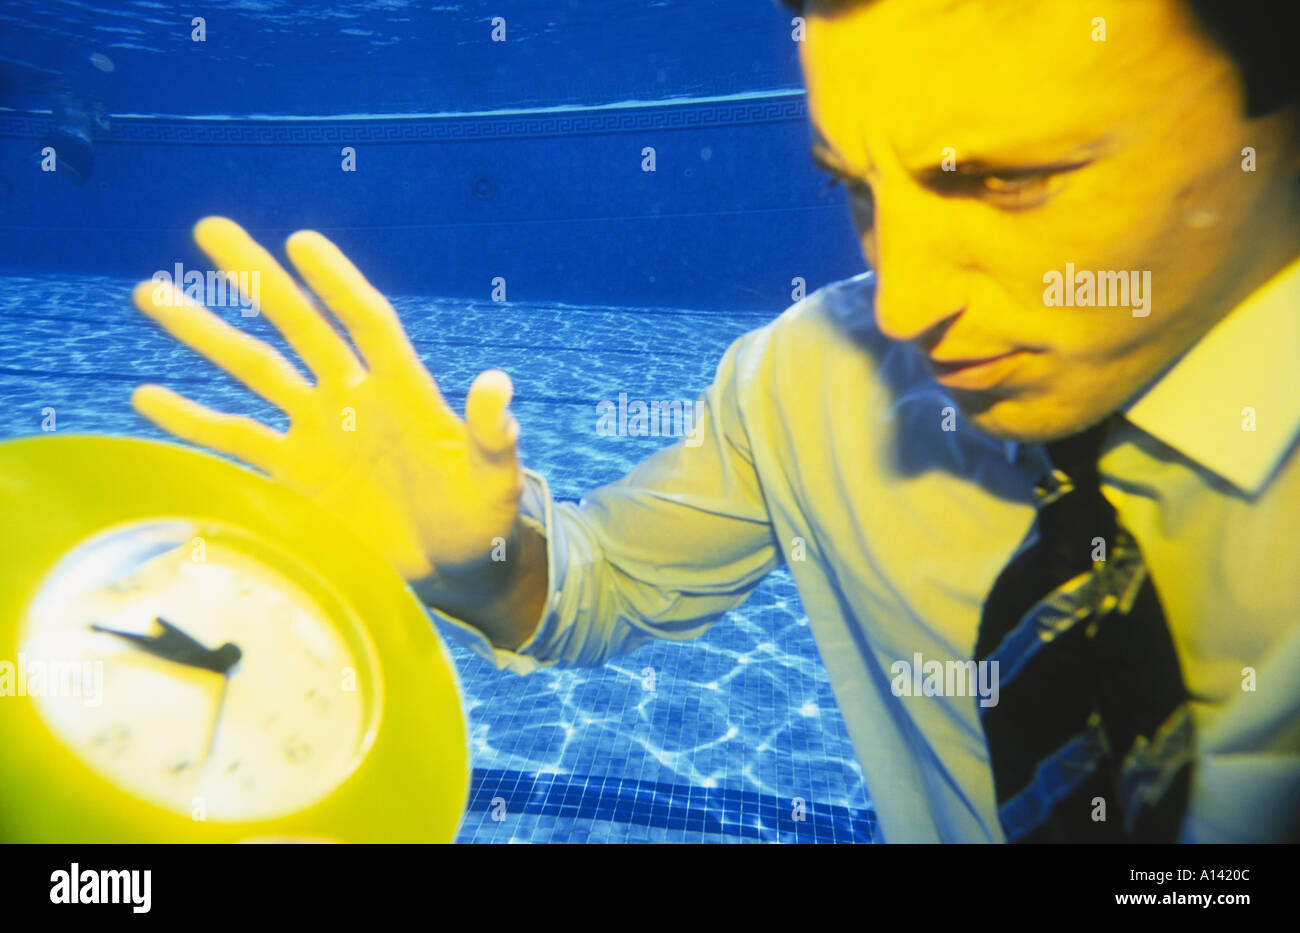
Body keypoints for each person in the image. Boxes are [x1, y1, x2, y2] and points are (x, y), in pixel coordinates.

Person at [129, 0, 1299, 843]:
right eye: (856, 191)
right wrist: (481, 561)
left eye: (1005, 180)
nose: (904, 302)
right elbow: (607, 584)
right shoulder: (815, 378)